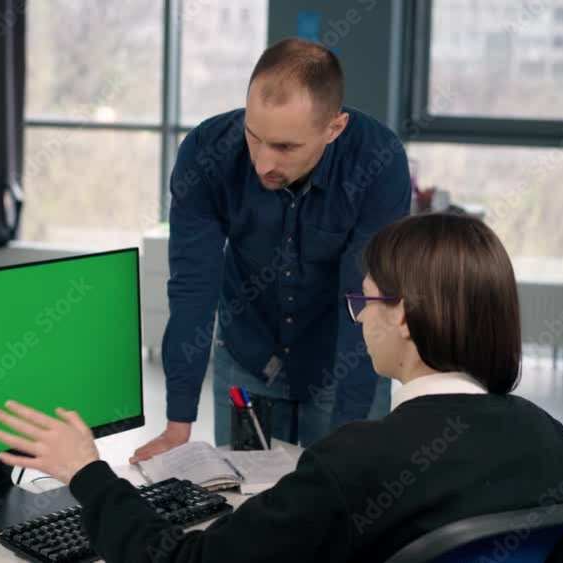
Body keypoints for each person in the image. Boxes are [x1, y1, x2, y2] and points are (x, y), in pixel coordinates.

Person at [0, 213, 563, 562]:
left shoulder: (359, 459)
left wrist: (88, 472)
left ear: (402, 316)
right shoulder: (549, 439)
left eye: (366, 299)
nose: (361, 318)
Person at [134, 38, 412, 459]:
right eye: (254, 136)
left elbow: (363, 300)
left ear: (333, 129)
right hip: (249, 356)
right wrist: (177, 424)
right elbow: (193, 287)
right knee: (247, 502)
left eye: (285, 147)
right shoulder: (206, 154)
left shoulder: (378, 162)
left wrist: (351, 443)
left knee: (347, 503)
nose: (263, 163)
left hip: (343, 359)